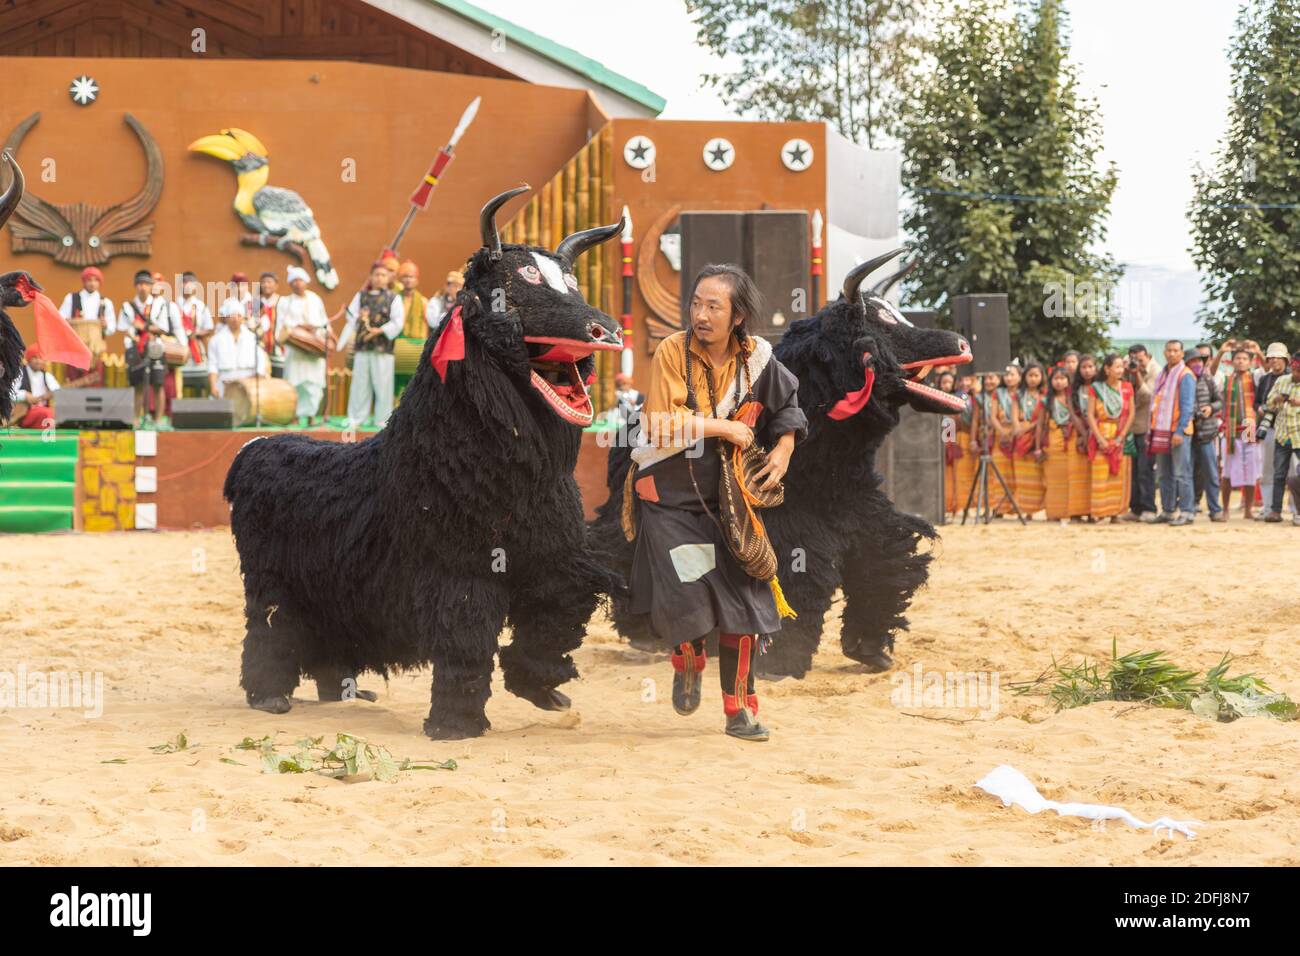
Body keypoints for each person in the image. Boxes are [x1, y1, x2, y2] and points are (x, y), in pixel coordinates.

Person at [628, 264, 806, 742]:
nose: (700, 315)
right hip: (670, 498)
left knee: (745, 604)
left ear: (739, 316)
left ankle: (740, 711)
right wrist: (724, 427)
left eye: (714, 306)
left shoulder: (758, 358)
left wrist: (784, 448)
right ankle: (687, 658)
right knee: (689, 597)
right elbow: (660, 425)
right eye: (696, 303)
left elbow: (788, 404)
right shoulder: (671, 350)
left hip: (729, 500)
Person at [338, 260, 404, 428]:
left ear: (388, 278)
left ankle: (383, 419)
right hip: (363, 348)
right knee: (360, 384)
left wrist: (380, 330)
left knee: (383, 385)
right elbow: (351, 317)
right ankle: (356, 418)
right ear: (371, 277)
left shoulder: (393, 298)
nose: (379, 278)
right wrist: (359, 320)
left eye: (383, 275)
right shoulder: (361, 296)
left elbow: (398, 322)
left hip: (383, 349)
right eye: (376, 275)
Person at [120, 270, 183, 426]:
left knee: (158, 382)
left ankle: (158, 419)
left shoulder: (159, 304)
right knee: (137, 384)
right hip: (135, 348)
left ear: (151, 286)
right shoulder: (128, 306)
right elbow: (122, 327)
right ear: (136, 286)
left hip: (155, 347)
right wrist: (132, 334)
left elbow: (163, 328)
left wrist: (144, 326)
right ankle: (136, 418)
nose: (143, 287)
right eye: (140, 284)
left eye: (146, 284)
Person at [1149, 340, 1196, 526]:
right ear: (1164, 352)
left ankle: (1187, 512)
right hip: (1161, 430)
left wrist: (1179, 430)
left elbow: (1187, 406)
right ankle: (1168, 510)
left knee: (1182, 473)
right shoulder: (1163, 375)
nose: (1171, 353)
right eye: (1168, 350)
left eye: (1176, 350)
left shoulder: (1185, 375)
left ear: (1182, 354)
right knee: (1164, 473)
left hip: (1179, 431)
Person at [275, 265, 330, 425]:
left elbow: (324, 320)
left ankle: (311, 416)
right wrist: (298, 330)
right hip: (295, 350)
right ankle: (296, 416)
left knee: (314, 384)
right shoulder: (285, 302)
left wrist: (321, 335)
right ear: (290, 284)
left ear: (306, 281)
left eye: (300, 280)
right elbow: (282, 325)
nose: (297, 284)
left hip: (314, 348)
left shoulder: (315, 299)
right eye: (294, 281)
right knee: (295, 383)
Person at [1086, 354, 1134, 522]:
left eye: (1122, 367)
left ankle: (1115, 513)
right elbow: (1090, 415)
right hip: (1101, 433)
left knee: (1118, 475)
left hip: (1120, 434)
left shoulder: (1127, 387)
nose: (1120, 370)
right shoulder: (1096, 388)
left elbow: (1131, 414)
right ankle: (1098, 512)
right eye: (1117, 367)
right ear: (1107, 369)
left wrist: (1121, 437)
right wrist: (1100, 438)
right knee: (1100, 474)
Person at [1219, 346, 1262, 519]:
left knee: (1250, 470)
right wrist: (1221, 352)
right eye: (1238, 358)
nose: (1241, 361)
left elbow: (1266, 369)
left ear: (1250, 362)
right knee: (1227, 471)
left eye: (1245, 359)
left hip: (1250, 427)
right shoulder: (1226, 379)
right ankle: (1226, 510)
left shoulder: (1255, 378)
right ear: (1232, 361)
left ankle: (1248, 510)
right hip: (1230, 429)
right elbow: (1213, 371)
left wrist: (1258, 352)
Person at [1186, 347, 1224, 521]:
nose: (1197, 364)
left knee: (1211, 474)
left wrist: (1211, 408)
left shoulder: (1207, 379)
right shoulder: (1183, 379)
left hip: (1206, 434)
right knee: (1188, 473)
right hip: (1187, 434)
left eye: (1199, 361)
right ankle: (1190, 508)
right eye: (1193, 361)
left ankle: (1215, 509)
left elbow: (1219, 401)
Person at [1122, 344, 1159, 522]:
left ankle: (1149, 507)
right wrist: (1123, 371)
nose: (1137, 363)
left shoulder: (1156, 371)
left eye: (1141, 359)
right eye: (1133, 360)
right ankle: (1135, 508)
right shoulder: (1126, 371)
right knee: (1133, 471)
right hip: (1131, 428)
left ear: (1148, 356)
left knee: (1145, 470)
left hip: (1147, 427)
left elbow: (1149, 396)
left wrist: (1137, 375)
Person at [1263, 351, 1300, 524]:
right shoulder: (1282, 380)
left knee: (1296, 476)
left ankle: (1297, 512)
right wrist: (1277, 399)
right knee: (1279, 474)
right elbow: (1268, 404)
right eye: (1294, 369)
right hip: (1283, 435)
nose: (1296, 373)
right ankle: (1275, 511)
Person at [1256, 342, 1291, 520]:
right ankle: (1268, 506)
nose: (1275, 360)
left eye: (1279, 357)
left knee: (1293, 471)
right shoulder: (1264, 379)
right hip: (1270, 429)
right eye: (1272, 358)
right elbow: (1257, 401)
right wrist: (1261, 409)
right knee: (1268, 469)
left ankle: (1294, 508)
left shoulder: (1294, 378)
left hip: (1291, 429)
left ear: (1286, 359)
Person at [1040, 365, 1076, 522]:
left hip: (1070, 439)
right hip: (1053, 441)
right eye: (1056, 379)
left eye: (1062, 378)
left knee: (1069, 479)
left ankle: (1069, 512)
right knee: (1053, 480)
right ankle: (1054, 513)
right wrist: (1038, 447)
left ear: (1068, 381)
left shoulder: (1073, 398)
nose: (1059, 382)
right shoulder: (1047, 401)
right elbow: (1041, 425)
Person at [207, 299, 264, 399]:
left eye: (238, 315)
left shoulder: (252, 338)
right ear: (226, 318)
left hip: (248, 384)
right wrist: (213, 387)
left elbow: (260, 362)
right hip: (224, 383)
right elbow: (212, 366)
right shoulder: (215, 340)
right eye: (231, 316)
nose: (235, 319)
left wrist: (258, 378)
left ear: (243, 318)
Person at [1013, 363, 1046, 517]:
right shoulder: (1018, 395)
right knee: (1022, 476)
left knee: (1036, 476)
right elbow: (1014, 418)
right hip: (1021, 438)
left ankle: (1035, 509)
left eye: (1036, 375)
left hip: (1037, 437)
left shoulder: (1044, 396)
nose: (1033, 379)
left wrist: (1031, 427)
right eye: (1030, 375)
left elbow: (1042, 420)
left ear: (1042, 377)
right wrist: (1020, 430)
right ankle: (1025, 510)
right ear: (1024, 377)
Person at [1068, 355, 1097, 521]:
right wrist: (1083, 433)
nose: (1087, 370)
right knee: (1078, 475)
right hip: (1077, 434)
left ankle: (1094, 511)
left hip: (1096, 433)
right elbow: (1072, 412)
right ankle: (1077, 512)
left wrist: (1091, 433)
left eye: (1090, 367)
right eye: (1084, 367)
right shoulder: (1074, 388)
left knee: (1093, 474)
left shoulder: (1101, 388)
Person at [177, 271, 214, 396]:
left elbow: (209, 328)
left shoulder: (201, 306)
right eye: (184, 283)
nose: (186, 286)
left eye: (190, 283)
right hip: (179, 348)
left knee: (201, 379)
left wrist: (196, 333)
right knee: (178, 379)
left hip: (197, 348)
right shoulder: (174, 306)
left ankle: (203, 408)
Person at [6, 344, 59, 428]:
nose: (38, 361)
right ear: (29, 359)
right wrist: (25, 395)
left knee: (51, 413)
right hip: (24, 413)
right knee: (46, 414)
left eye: (41, 358)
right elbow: (8, 394)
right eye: (35, 358)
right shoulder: (19, 373)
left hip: (43, 411)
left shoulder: (47, 376)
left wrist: (52, 394)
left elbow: (58, 391)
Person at [397, 260, 428, 338]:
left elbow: (425, 324)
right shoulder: (395, 300)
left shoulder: (423, 301)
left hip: (417, 343)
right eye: (405, 277)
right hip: (397, 341)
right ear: (401, 280)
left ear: (417, 280)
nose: (408, 280)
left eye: (411, 277)